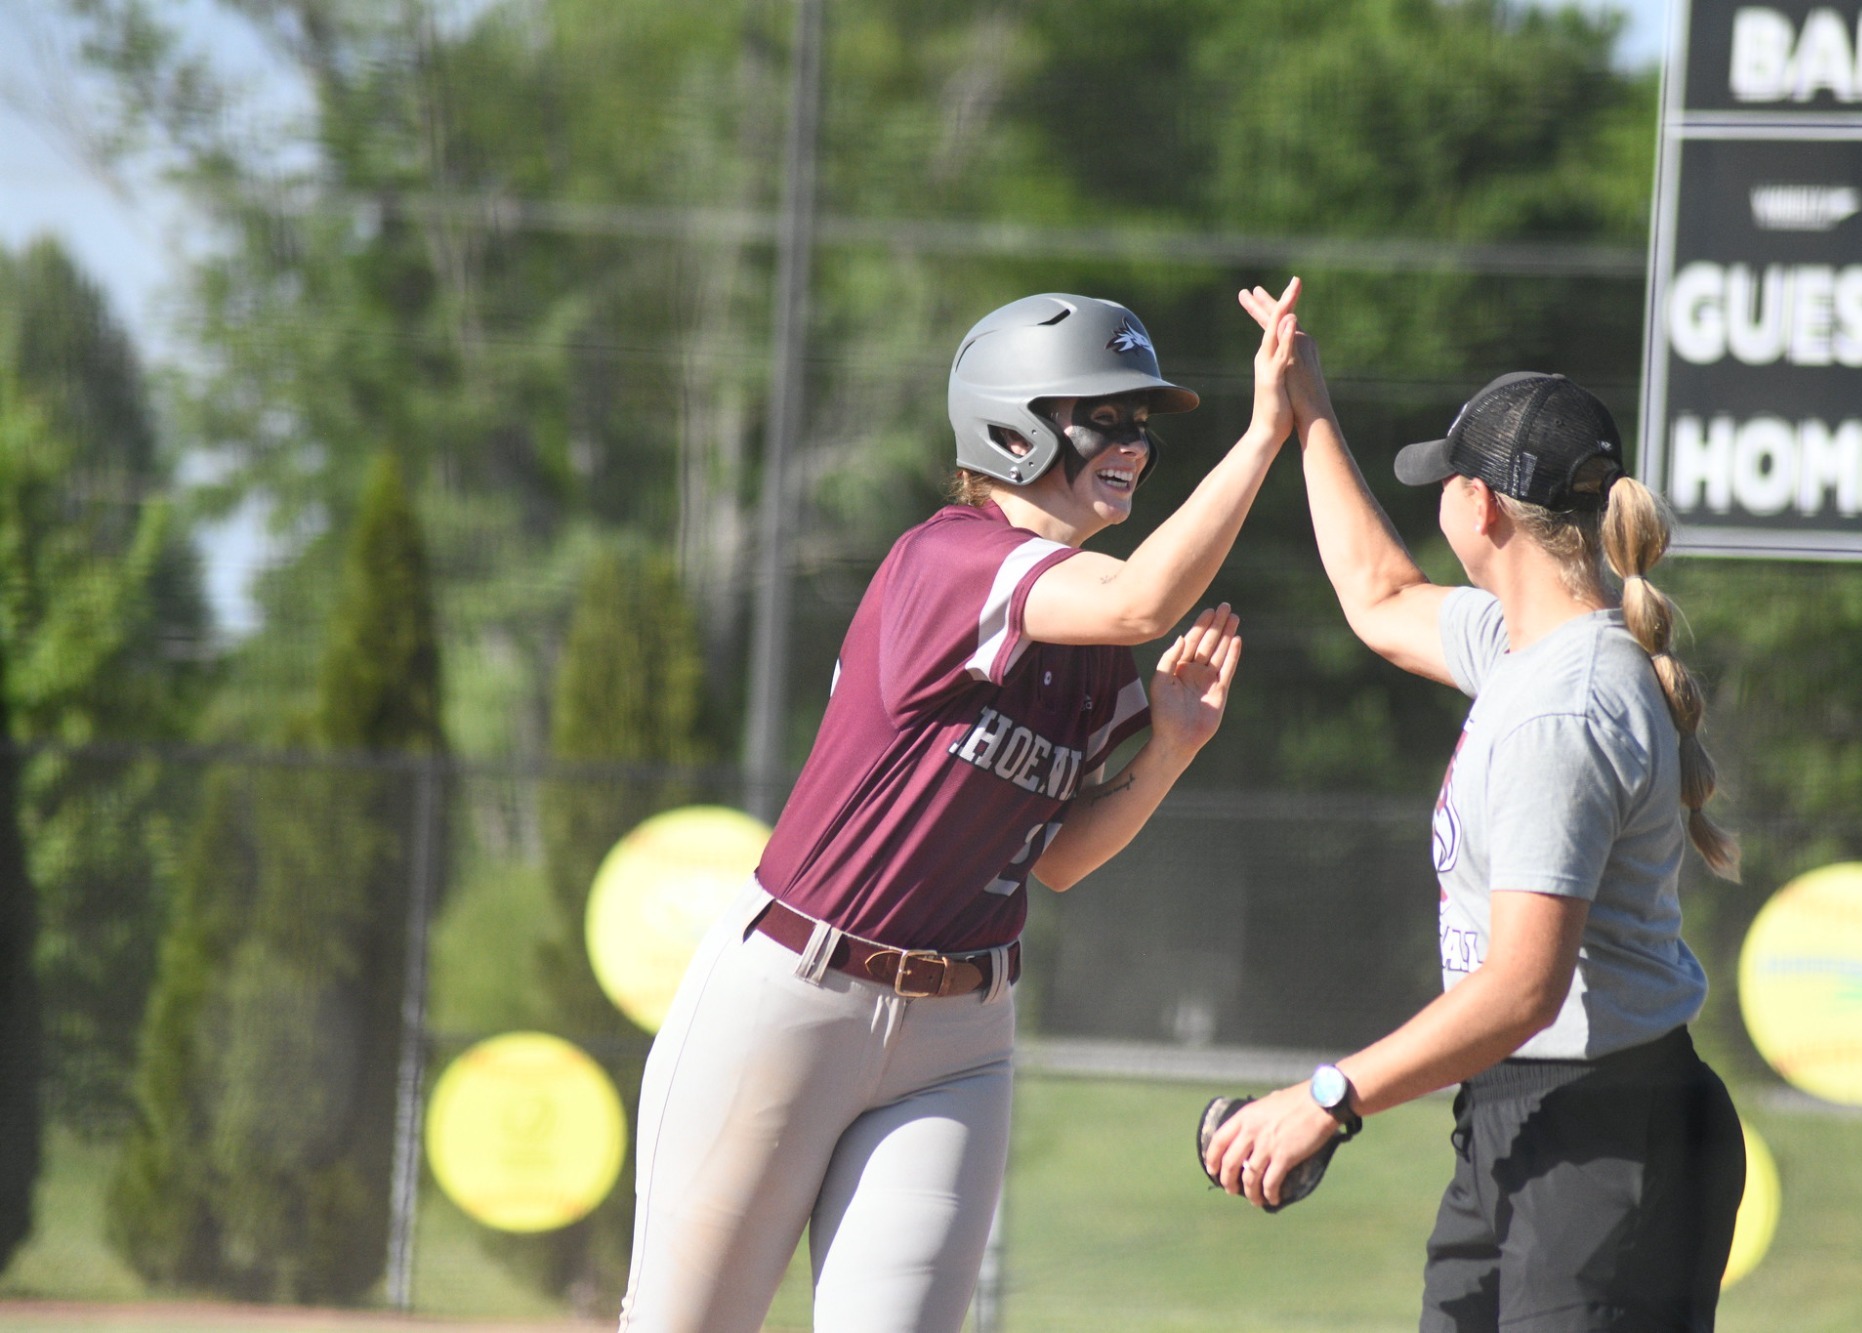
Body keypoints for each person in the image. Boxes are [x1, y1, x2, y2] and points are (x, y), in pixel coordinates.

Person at [619, 282, 1302, 1333]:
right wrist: (1264, 436)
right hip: (792, 1000)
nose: (1130, 442)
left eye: (1137, 423)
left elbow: (1060, 861)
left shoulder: (1084, 647)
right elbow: (1142, 599)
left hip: (959, 1040)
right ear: (1013, 425)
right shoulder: (947, 560)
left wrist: (1167, 751)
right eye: (1103, 416)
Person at [1206, 287, 1747, 1332]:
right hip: (1526, 1123)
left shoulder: (1564, 708)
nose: (1435, 499)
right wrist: (1304, 408)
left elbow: (1521, 991)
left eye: (1442, 478)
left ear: (1482, 507)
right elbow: (1377, 598)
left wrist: (1325, 1097)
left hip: (1604, 1142)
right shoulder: (1525, 644)